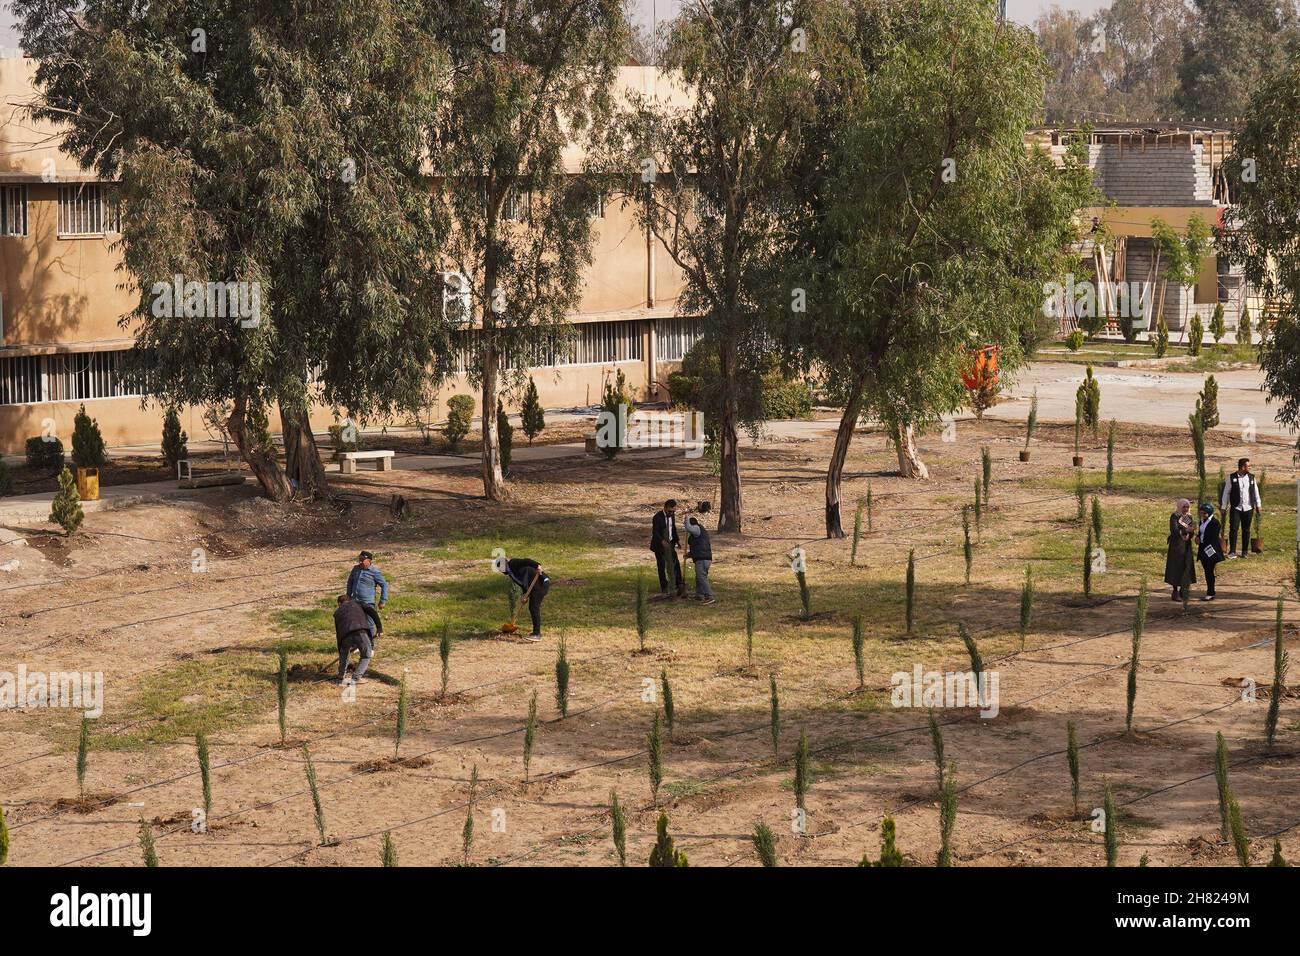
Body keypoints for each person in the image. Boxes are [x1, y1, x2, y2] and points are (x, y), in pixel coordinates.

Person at [1221, 457, 1263, 558]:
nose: (1250, 467)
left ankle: (1244, 551)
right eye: (1248, 466)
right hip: (1236, 507)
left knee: (1246, 529)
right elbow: (1226, 493)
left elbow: (1256, 492)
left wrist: (1258, 505)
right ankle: (1232, 551)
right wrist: (1223, 506)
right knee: (1234, 528)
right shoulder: (1231, 478)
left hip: (1248, 508)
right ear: (1243, 467)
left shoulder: (1252, 477)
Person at [502, 556, 550, 642]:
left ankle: (536, 634)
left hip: (541, 582)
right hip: (534, 586)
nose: (501, 571)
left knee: (534, 608)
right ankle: (536, 633)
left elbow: (526, 561)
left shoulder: (513, 563)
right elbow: (524, 582)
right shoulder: (511, 573)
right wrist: (525, 595)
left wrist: (537, 565)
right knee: (533, 608)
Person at [346, 550, 388, 646]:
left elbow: (384, 585)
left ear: (369, 561)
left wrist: (383, 600)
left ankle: (371, 646)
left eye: (362, 560)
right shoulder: (356, 569)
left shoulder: (374, 571)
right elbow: (350, 582)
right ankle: (358, 645)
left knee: (369, 624)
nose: (360, 562)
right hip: (355, 601)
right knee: (356, 623)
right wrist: (348, 595)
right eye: (359, 560)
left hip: (368, 602)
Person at [333, 595, 373, 685]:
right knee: (366, 655)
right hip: (360, 631)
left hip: (344, 635)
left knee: (344, 653)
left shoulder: (337, 612)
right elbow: (371, 611)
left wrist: (341, 648)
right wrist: (379, 628)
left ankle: (341, 674)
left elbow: (338, 631)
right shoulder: (357, 604)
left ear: (339, 603)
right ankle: (356, 677)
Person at [650, 499, 686, 598]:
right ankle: (664, 586)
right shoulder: (657, 517)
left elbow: (673, 528)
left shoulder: (672, 516)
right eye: (670, 511)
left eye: (674, 511)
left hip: (670, 544)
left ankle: (679, 584)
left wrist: (677, 540)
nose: (672, 513)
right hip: (659, 546)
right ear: (665, 508)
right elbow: (655, 532)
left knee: (676, 563)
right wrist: (662, 541)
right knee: (661, 566)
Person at [1163, 498, 1196, 601]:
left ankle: (1183, 589)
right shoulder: (1175, 516)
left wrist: (1190, 534)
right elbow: (1174, 530)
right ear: (1180, 507)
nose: (1186, 509)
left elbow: (1191, 530)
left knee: (1186, 567)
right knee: (1176, 568)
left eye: (1187, 507)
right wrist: (1186, 530)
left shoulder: (1188, 517)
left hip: (1186, 546)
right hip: (1176, 546)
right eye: (1184, 507)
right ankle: (1175, 591)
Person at [683, 515, 715, 604]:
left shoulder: (697, 528)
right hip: (704, 558)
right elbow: (699, 547)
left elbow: (688, 527)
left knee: (701, 577)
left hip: (702, 559)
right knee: (699, 577)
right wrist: (689, 554)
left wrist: (686, 518)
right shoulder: (699, 533)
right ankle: (699, 594)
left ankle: (709, 596)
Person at [1196, 502, 1223, 601]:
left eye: (1204, 513)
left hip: (1211, 549)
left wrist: (1206, 547)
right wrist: (1198, 538)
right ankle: (1210, 591)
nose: (1202, 515)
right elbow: (1200, 533)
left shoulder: (1215, 523)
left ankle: (1211, 592)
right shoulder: (1201, 522)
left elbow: (1214, 538)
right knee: (1206, 570)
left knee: (1209, 571)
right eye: (1201, 513)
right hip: (1203, 547)